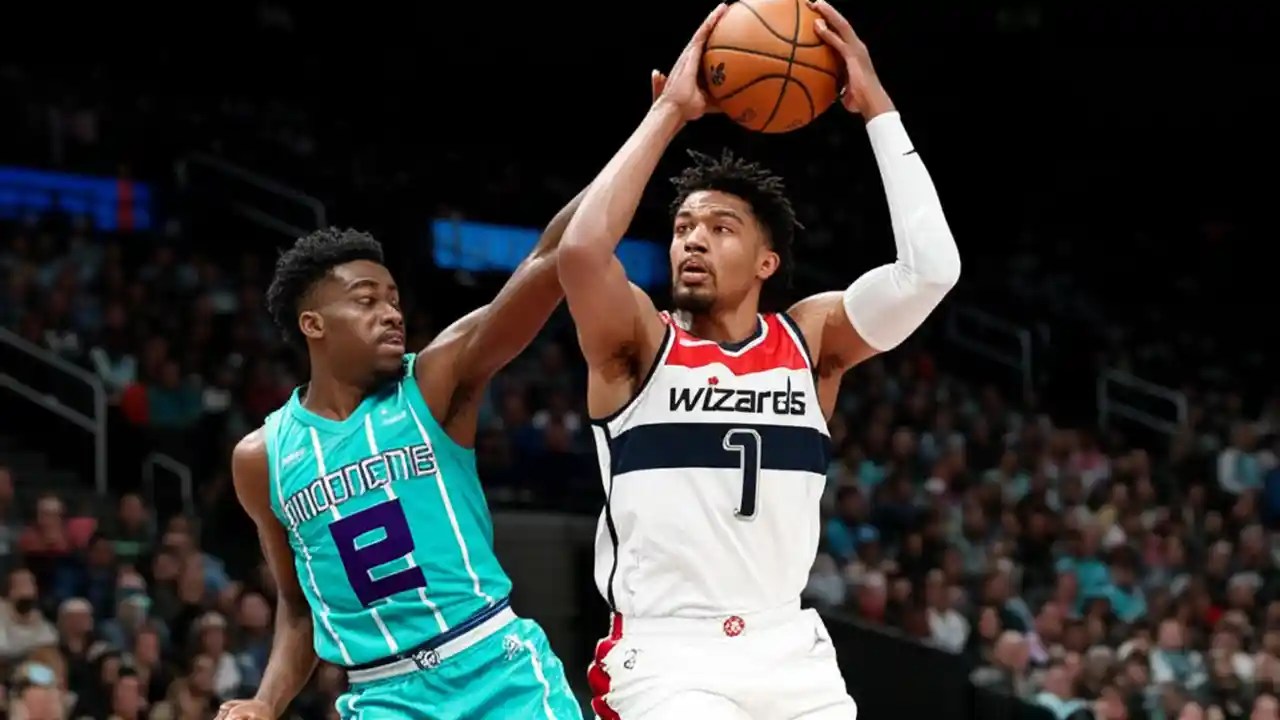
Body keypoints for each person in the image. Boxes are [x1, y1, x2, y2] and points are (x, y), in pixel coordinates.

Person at [557, 3, 961, 718]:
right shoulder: (637, 346)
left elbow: (931, 272)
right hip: (668, 657)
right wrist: (673, 112)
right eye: (683, 227)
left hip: (787, 650)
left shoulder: (813, 345)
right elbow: (583, 251)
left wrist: (879, 110)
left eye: (720, 227)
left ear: (766, 260)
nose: (693, 241)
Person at [218, 197, 590, 719]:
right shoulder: (262, 458)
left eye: (393, 300)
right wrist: (266, 701)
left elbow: (549, 259)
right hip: (384, 697)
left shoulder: (433, 383)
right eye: (366, 300)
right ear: (314, 324)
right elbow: (300, 605)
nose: (391, 313)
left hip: (496, 670)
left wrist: (660, 120)